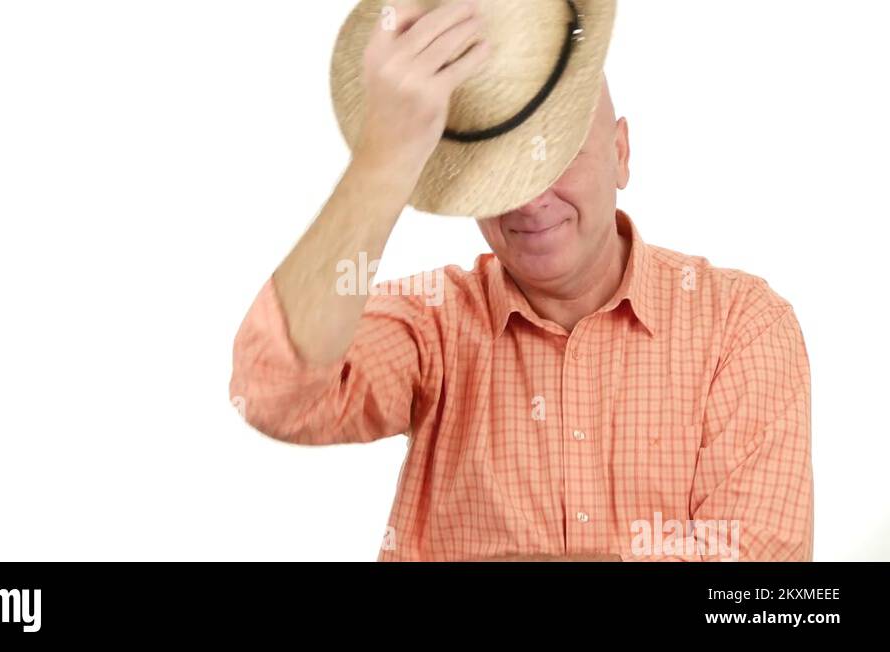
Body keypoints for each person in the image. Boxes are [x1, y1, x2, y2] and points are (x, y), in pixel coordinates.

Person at [230, 0, 813, 561]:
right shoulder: (433, 321)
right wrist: (383, 162)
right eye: (498, 172)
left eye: (558, 157)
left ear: (621, 153)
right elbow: (273, 393)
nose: (530, 201)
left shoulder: (740, 322)